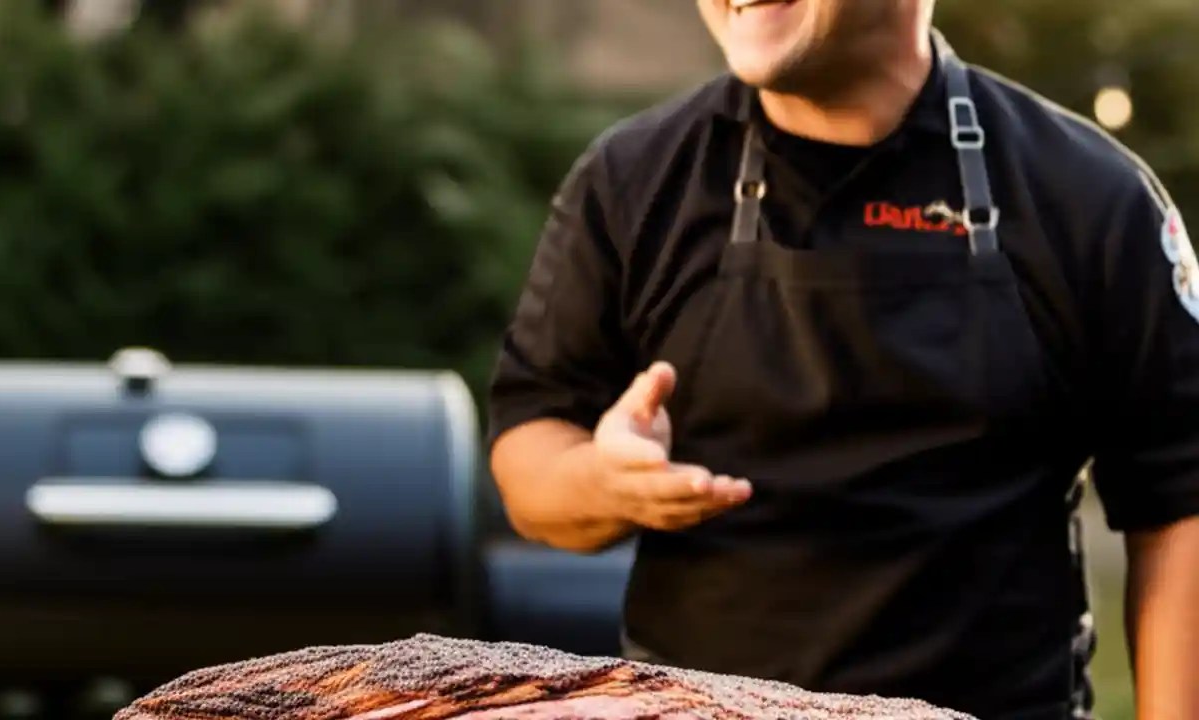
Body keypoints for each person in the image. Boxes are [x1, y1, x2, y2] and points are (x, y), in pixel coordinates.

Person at [485, 1, 1199, 718]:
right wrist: (607, 483)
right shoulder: (631, 182)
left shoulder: (1089, 198)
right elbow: (528, 451)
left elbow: (1180, 507)